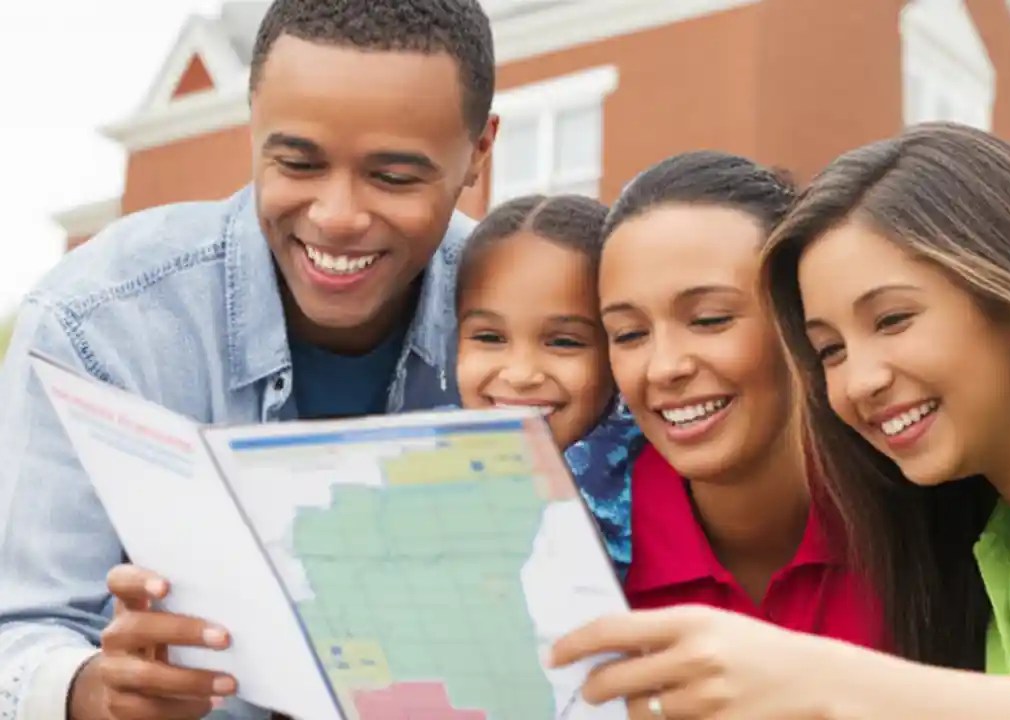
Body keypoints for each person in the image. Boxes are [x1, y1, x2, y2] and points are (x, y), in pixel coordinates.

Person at [0, 3, 634, 719]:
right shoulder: (96, 323)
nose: (336, 216)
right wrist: (87, 690)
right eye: (297, 162)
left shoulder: (539, 316)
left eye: (393, 177)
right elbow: (19, 627)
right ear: (254, 120)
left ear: (479, 153)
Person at [550, 124, 1010, 719]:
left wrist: (813, 679)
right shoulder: (983, 536)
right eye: (829, 349)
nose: (860, 382)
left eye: (893, 319)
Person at [596, 152, 885, 670]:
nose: (664, 368)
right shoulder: (584, 544)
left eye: (709, 319)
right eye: (629, 334)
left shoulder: (918, 507)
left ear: (799, 319)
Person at [454, 193, 634, 720]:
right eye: (489, 337)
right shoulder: (422, 474)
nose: (521, 372)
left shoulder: (655, 485)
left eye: (563, 342)